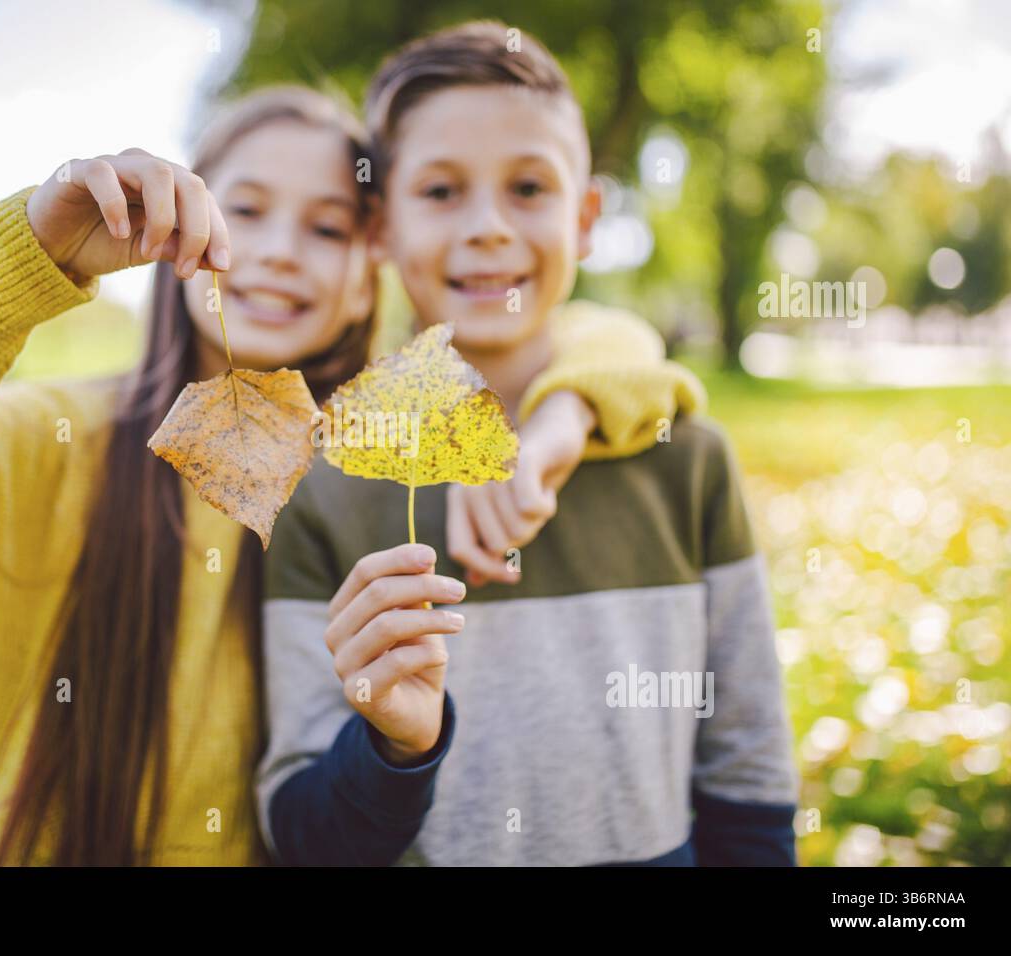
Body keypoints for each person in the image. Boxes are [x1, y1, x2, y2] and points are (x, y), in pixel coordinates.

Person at [0, 84, 698, 865]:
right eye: (245, 209)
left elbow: (608, 338)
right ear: (174, 224)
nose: (274, 252)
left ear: (375, 262)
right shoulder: (45, 444)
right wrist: (24, 247)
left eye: (326, 225)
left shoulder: (387, 445)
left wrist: (564, 404)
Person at [257, 23, 799, 866]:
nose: (487, 228)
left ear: (585, 219)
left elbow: (749, 767)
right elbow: (300, 831)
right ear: (382, 229)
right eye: (440, 192)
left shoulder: (685, 455)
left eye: (528, 187)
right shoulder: (324, 487)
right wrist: (395, 749)